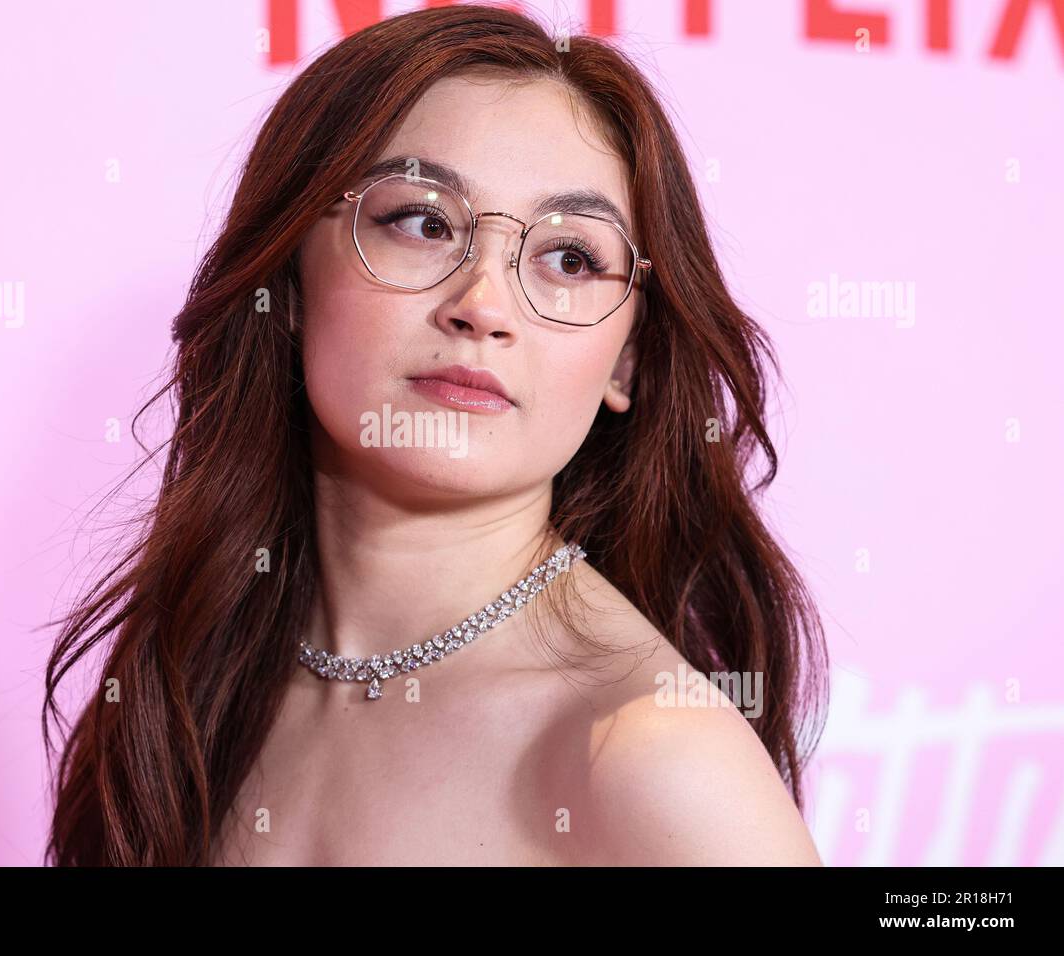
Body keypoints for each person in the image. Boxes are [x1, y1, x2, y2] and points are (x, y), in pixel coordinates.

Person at [43, 3, 829, 866]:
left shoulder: (653, 756)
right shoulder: (193, 675)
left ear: (627, 363)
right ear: (291, 282)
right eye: (424, 222)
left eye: (571, 259)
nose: (483, 306)